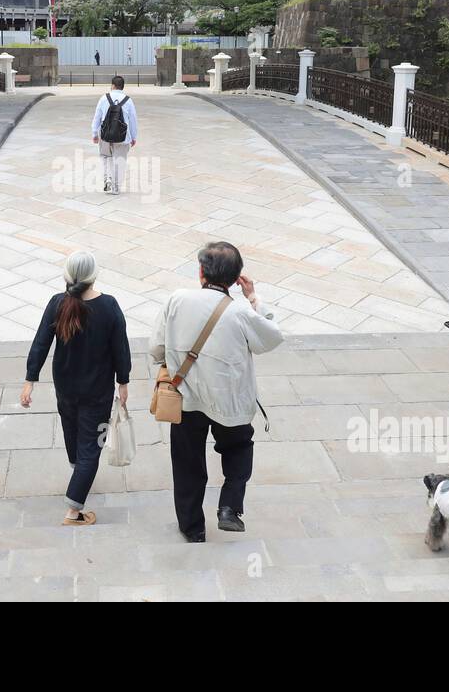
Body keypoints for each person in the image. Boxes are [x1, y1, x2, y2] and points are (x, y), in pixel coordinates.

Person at [150, 241, 283, 542]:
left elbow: (156, 349)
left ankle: (192, 528)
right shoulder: (241, 311)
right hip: (230, 401)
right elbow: (272, 338)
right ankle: (229, 507)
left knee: (187, 463)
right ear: (237, 278)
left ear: (201, 272)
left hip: (186, 398)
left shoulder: (177, 300)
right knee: (238, 448)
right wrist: (254, 299)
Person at [22, 251, 131, 526]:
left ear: (67, 276)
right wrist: (123, 381)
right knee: (92, 447)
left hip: (66, 388)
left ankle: (79, 471)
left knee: (72, 433)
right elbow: (120, 348)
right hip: (97, 393)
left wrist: (29, 381)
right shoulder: (109, 306)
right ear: (94, 276)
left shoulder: (58, 303)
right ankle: (74, 511)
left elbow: (40, 343)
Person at [91, 75, 138, 195]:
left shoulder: (104, 98)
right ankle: (116, 188)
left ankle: (107, 179)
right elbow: (133, 120)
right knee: (120, 161)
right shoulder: (128, 100)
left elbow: (97, 117)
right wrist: (133, 137)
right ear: (122, 87)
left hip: (105, 134)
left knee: (106, 157)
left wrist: (95, 133)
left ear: (112, 86)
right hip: (123, 136)